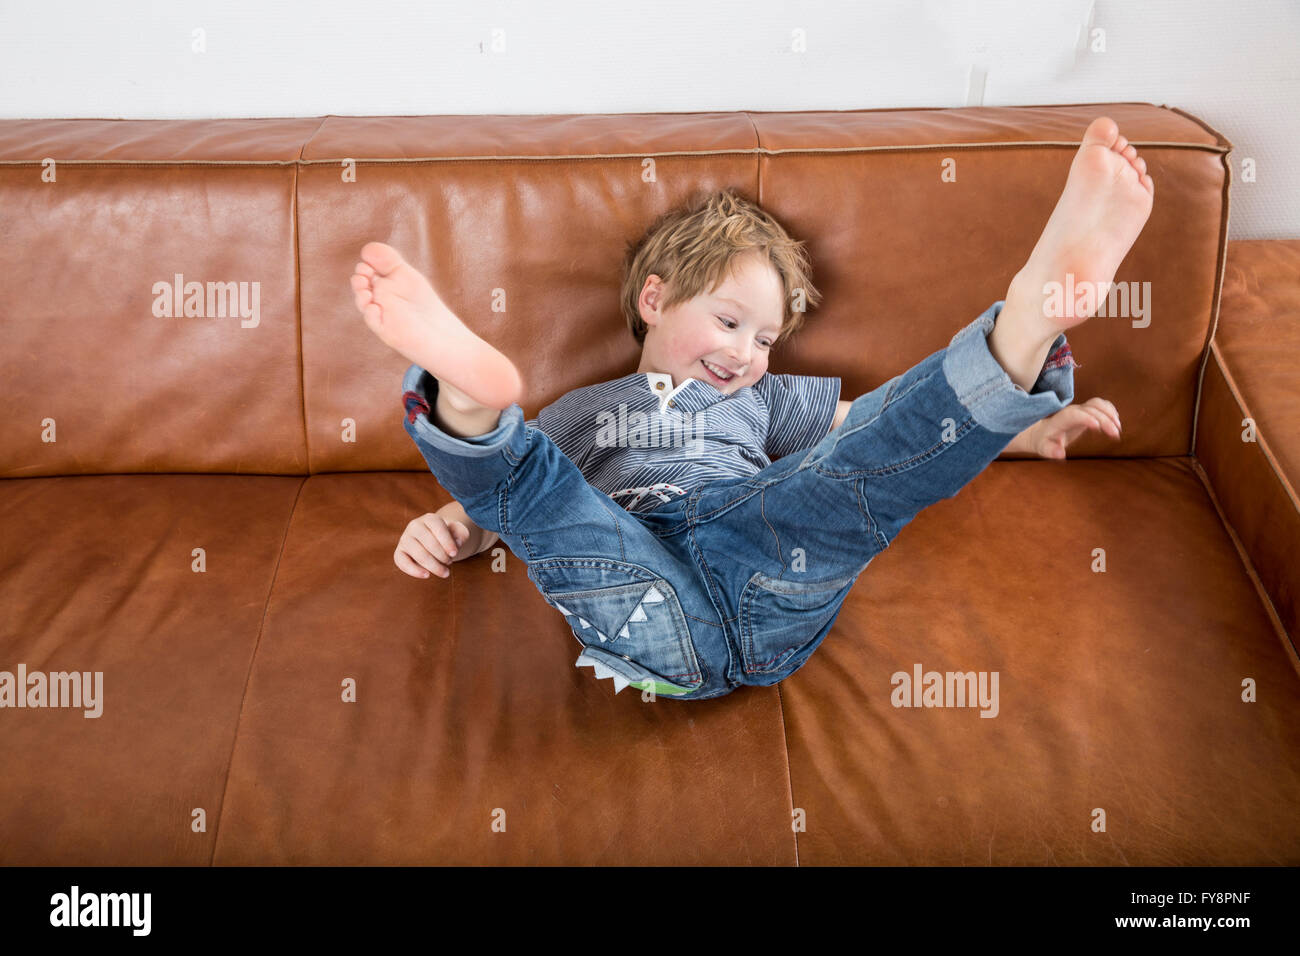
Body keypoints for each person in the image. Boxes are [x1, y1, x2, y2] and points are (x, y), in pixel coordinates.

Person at [352, 115, 1150, 701]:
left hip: (764, 565)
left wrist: (1033, 425)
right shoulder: (584, 409)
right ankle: (468, 401)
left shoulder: (764, 399)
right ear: (653, 299)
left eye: (766, 338)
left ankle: (1023, 329)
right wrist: (451, 529)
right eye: (729, 323)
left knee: (848, 479)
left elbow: (877, 440)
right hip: (639, 584)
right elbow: (512, 513)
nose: (746, 353)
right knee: (544, 500)